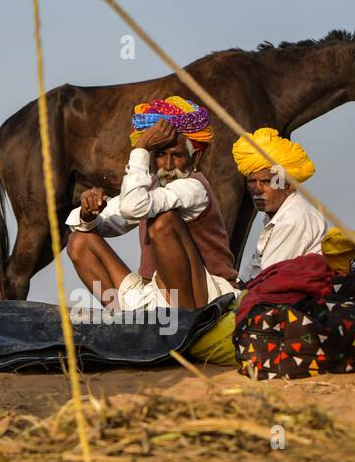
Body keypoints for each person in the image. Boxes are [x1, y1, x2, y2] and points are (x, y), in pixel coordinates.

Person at [65, 97, 239, 312]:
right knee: (78, 240)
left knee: (164, 221)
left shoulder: (194, 188)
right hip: (154, 293)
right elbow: (105, 220)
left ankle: (184, 326)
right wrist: (88, 213)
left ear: (195, 157)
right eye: (160, 155)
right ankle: (125, 322)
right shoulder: (152, 189)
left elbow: (133, 207)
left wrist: (141, 148)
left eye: (176, 156)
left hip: (207, 296)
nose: (167, 165)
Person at [232, 128, 327, 279]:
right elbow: (249, 275)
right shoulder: (275, 219)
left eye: (265, 181)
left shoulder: (294, 220)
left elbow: (267, 279)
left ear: (289, 185)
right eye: (252, 181)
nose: (257, 189)